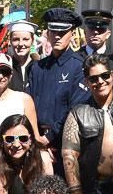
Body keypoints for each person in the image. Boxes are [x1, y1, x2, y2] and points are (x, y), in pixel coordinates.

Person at [63, 54, 113, 194]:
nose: (100, 82)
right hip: (96, 189)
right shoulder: (78, 112)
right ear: (87, 82)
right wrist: (75, 191)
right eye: (94, 79)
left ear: (112, 76)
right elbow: (69, 155)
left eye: (104, 76)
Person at [27, 9, 89, 155]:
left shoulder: (79, 67)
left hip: (65, 143)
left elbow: (75, 108)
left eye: (62, 33)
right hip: (37, 141)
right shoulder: (38, 67)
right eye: (53, 32)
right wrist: (37, 137)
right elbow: (28, 104)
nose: (57, 37)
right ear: (47, 33)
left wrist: (49, 137)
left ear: (72, 33)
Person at [0, 53, 39, 164]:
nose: (0, 76)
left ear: (11, 75)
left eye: (5, 72)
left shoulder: (24, 99)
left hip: (18, 160)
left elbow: (34, 137)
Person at [7, 20, 36, 91]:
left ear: (32, 41)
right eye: (16, 39)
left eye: (25, 39)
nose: (20, 44)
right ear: (10, 41)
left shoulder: (40, 67)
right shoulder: (5, 67)